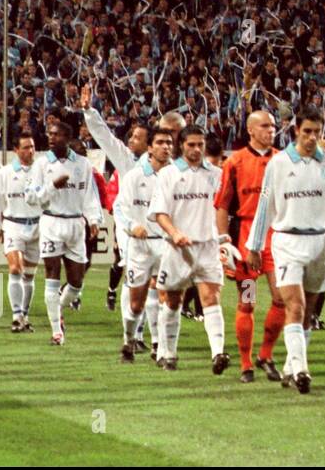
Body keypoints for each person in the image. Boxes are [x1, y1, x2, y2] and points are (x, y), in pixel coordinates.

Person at [246, 107, 325, 393]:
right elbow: (265, 205)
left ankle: (291, 365)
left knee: (309, 311)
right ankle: (302, 369)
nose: (312, 138)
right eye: (307, 132)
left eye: (317, 132)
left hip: (320, 242)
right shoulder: (278, 164)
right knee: (295, 305)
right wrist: (254, 244)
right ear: (296, 131)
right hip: (287, 241)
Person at [148, 125, 227, 373]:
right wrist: (175, 233)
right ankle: (167, 352)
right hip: (177, 248)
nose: (196, 150)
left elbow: (223, 209)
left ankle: (218, 353)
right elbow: (159, 213)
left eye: (200, 145)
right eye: (191, 145)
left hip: (208, 246)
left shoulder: (216, 174)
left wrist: (224, 239)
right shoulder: (168, 174)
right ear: (181, 145)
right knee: (173, 300)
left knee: (211, 297)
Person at [213, 110, 281, 383]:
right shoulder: (236, 162)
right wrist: (223, 240)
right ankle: (245, 363)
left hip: (276, 238)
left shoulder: (282, 159)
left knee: (280, 298)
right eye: (265, 126)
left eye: (273, 126)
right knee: (248, 302)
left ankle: (266, 355)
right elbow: (222, 205)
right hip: (246, 238)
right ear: (251, 130)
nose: (271, 130)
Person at [26, 121, 103, 345]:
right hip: (51, 222)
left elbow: (89, 194)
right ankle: (56, 332)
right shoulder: (41, 164)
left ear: (68, 138)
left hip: (76, 224)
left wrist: (94, 219)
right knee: (51, 274)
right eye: (50, 134)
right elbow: (31, 198)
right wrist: (52, 186)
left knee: (76, 282)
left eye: (57, 134)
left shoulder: (83, 164)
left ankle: (58, 307)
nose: (51, 138)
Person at [81, 84, 150, 314]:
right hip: (130, 228)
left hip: (156, 229)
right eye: (131, 136)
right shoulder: (127, 161)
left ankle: (156, 340)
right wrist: (89, 111)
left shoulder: (165, 167)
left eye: (137, 138)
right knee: (133, 274)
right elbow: (105, 137)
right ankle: (132, 337)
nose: (131, 140)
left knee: (156, 284)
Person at [114, 127, 174, 364]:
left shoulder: (176, 176)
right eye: (160, 142)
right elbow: (119, 208)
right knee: (136, 304)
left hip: (167, 244)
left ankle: (160, 348)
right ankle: (128, 341)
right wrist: (131, 226)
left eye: (169, 142)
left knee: (166, 297)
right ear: (150, 148)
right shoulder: (134, 177)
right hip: (141, 245)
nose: (166, 147)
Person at [0, 132, 42, 332]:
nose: (31, 151)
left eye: (33, 146)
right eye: (26, 147)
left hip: (37, 226)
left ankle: (24, 316)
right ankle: (16, 315)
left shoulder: (41, 170)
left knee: (29, 275)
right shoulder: (6, 172)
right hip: (13, 225)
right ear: (16, 150)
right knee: (15, 269)